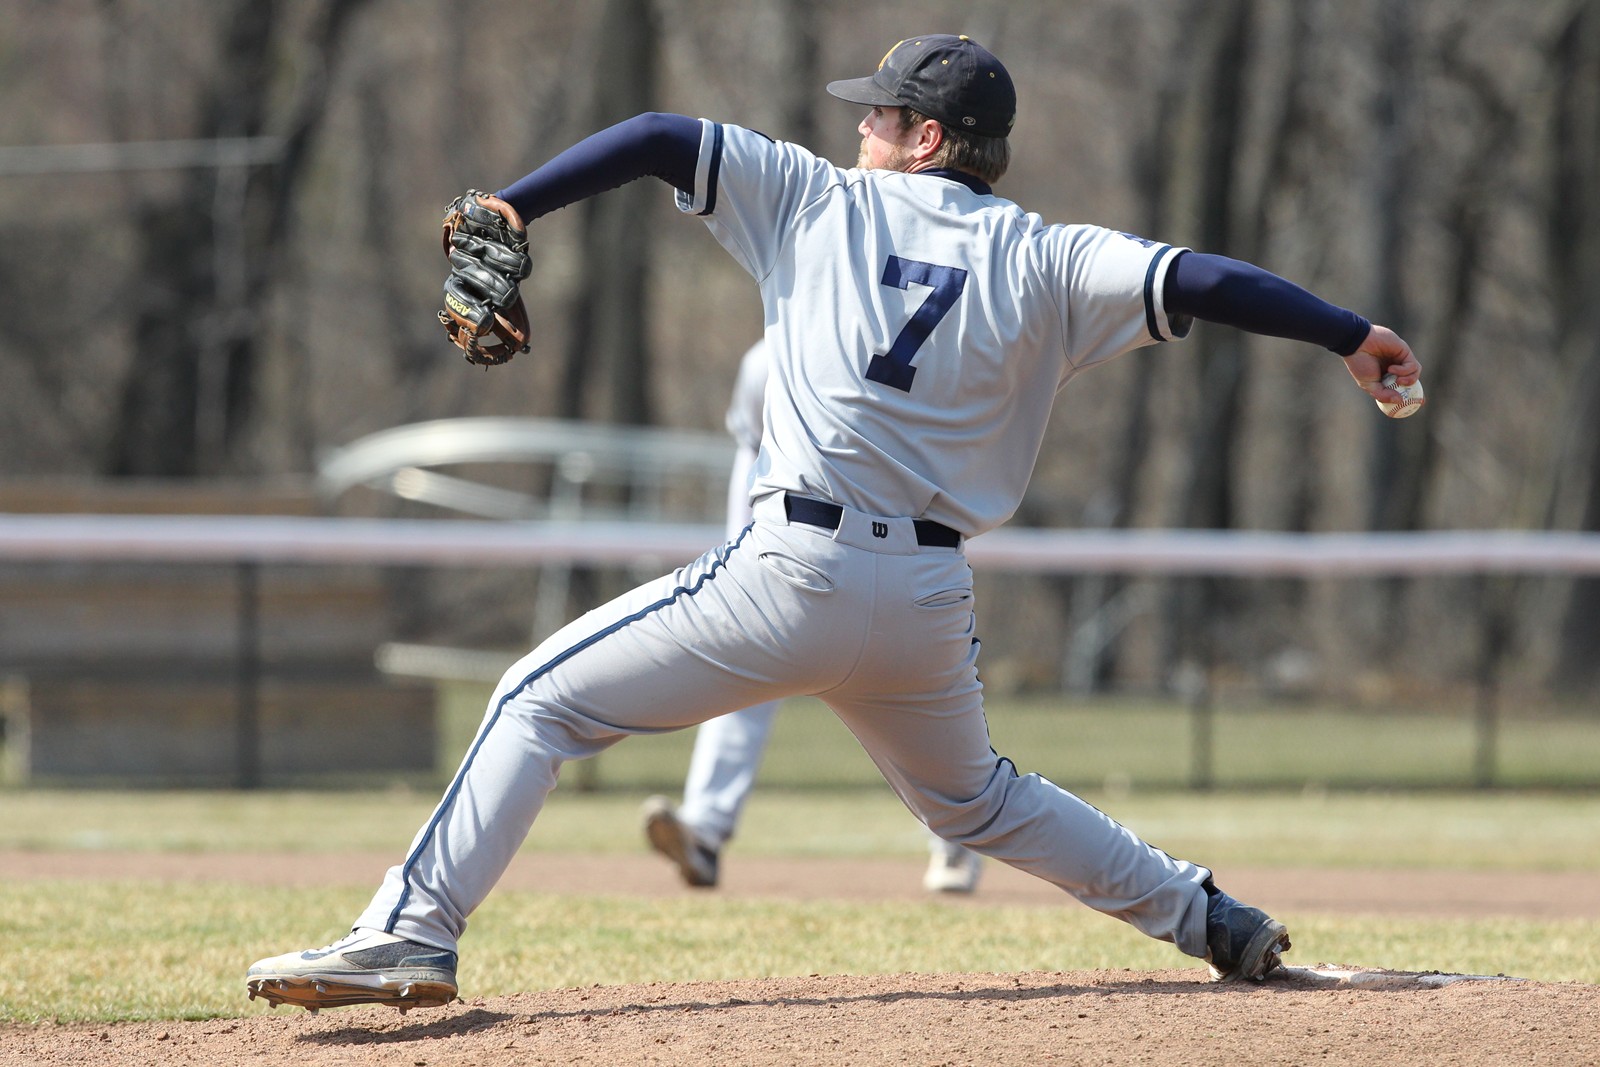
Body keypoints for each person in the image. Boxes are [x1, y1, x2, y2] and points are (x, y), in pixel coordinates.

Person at [246, 33, 1421, 1012]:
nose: (859, 126)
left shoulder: (814, 198)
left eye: (881, 114)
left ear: (927, 138)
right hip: (924, 604)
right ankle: (1211, 917)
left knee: (534, 699)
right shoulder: (1051, 256)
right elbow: (1204, 279)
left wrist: (515, 201)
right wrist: (1347, 335)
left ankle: (411, 931)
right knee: (978, 801)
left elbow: (654, 134)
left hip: (791, 570)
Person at [640, 339, 983, 894]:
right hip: (797, 556)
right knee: (743, 672)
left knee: (919, 693)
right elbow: (749, 462)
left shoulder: (900, 343)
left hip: (896, 551)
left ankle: (958, 838)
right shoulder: (767, 360)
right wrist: (739, 572)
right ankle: (704, 830)